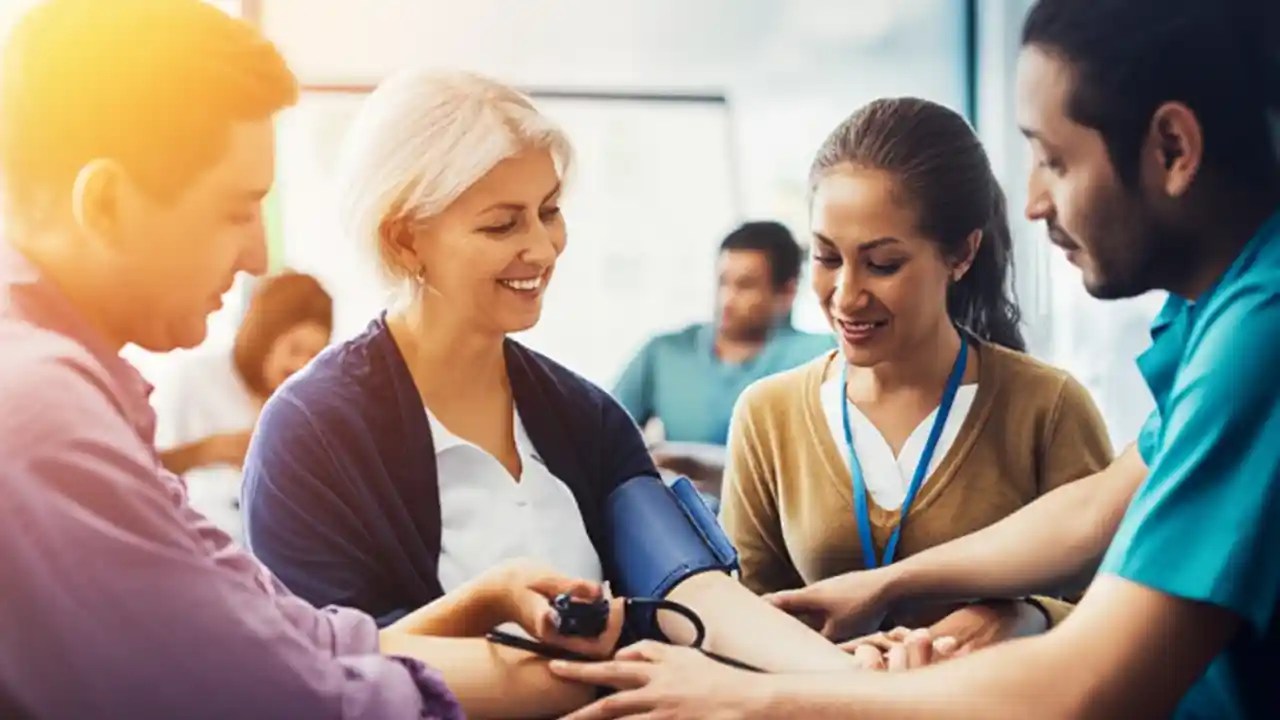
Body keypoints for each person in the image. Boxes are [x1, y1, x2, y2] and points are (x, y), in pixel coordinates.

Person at [0, 3, 735, 718]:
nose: (258, 252)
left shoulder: (579, 412)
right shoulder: (40, 412)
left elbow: (293, 639)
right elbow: (286, 695)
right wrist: (614, 678)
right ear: (103, 205)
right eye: (234, 210)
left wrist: (485, 610)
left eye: (548, 211)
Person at [548, 0, 1280, 717]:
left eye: (1053, 159)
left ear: (1174, 150)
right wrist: (883, 585)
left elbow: (1083, 684)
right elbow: (1095, 506)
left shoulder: (1259, 337)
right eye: (829, 257)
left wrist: (754, 698)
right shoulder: (1213, 316)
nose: (1029, 200)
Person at [240, 68, 861, 684]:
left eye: (549, 212)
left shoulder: (581, 415)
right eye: (502, 224)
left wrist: (858, 679)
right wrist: (657, 678)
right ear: (405, 240)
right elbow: (334, 675)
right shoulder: (311, 433)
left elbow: (690, 589)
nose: (542, 248)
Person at [719, 97, 1112, 649]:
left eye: (883, 264)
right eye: (827, 258)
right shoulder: (768, 415)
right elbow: (746, 623)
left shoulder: (1047, 409)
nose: (847, 296)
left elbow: (1117, 616)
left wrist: (1026, 618)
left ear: (961, 254)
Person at [612, 222, 833, 503]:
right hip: (680, 521)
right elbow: (605, 436)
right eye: (723, 282)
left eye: (745, 285)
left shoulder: (819, 357)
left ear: (786, 293)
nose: (727, 298)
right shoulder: (665, 352)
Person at [152, 270, 332, 543]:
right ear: (264, 337)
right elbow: (144, 470)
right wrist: (210, 451)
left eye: (314, 355)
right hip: (199, 547)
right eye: (295, 350)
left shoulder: (306, 405)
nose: (301, 366)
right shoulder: (193, 379)